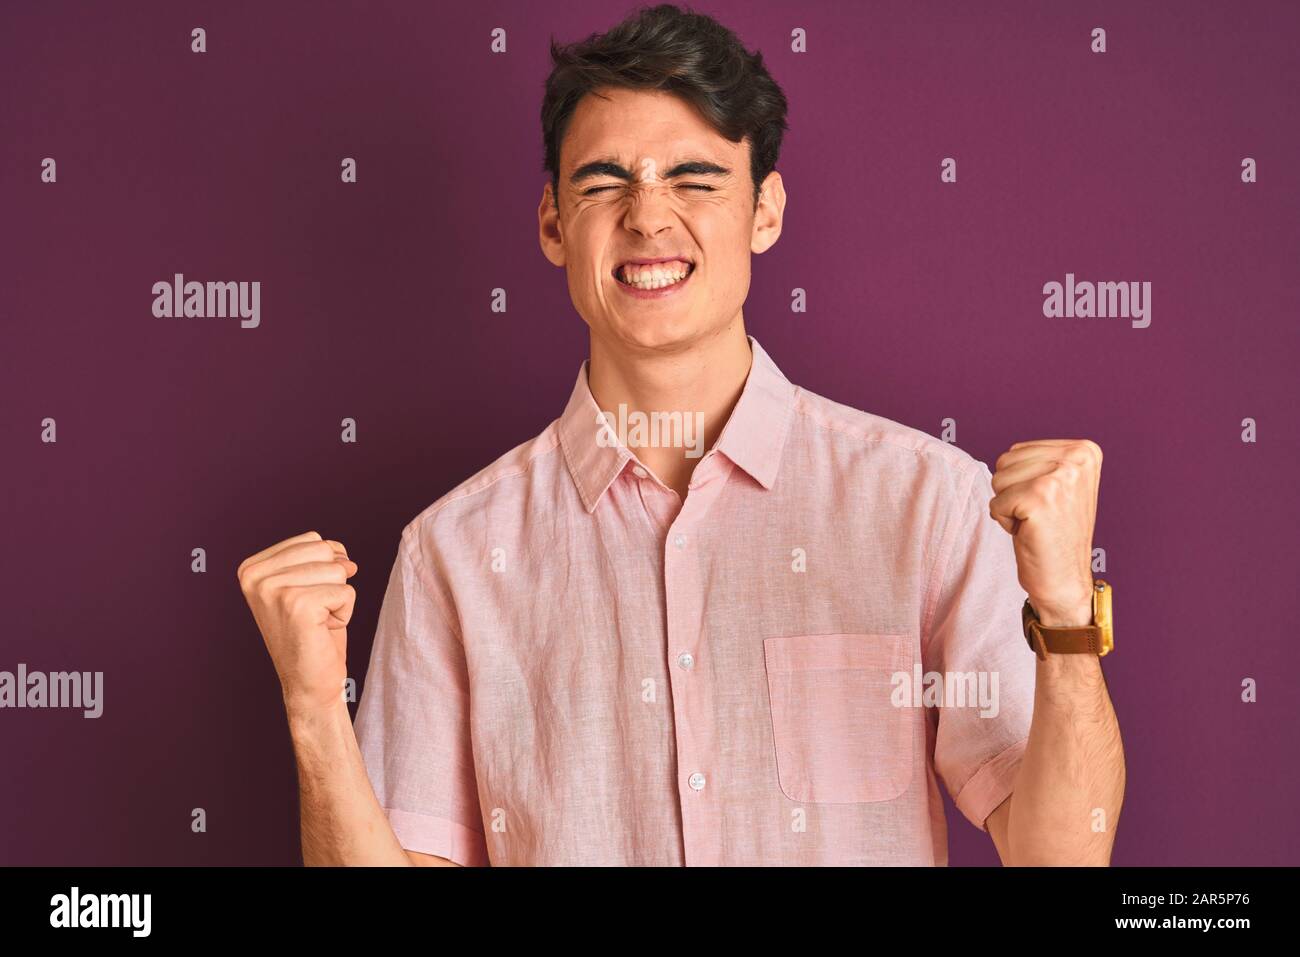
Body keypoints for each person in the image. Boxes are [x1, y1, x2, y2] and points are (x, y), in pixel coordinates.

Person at [237, 3, 1123, 866]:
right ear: (553, 222)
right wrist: (316, 712)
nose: (649, 218)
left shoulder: (927, 505)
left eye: (695, 180)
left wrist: (1065, 619)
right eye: (603, 182)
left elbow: (1060, 857)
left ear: (765, 211)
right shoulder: (453, 555)